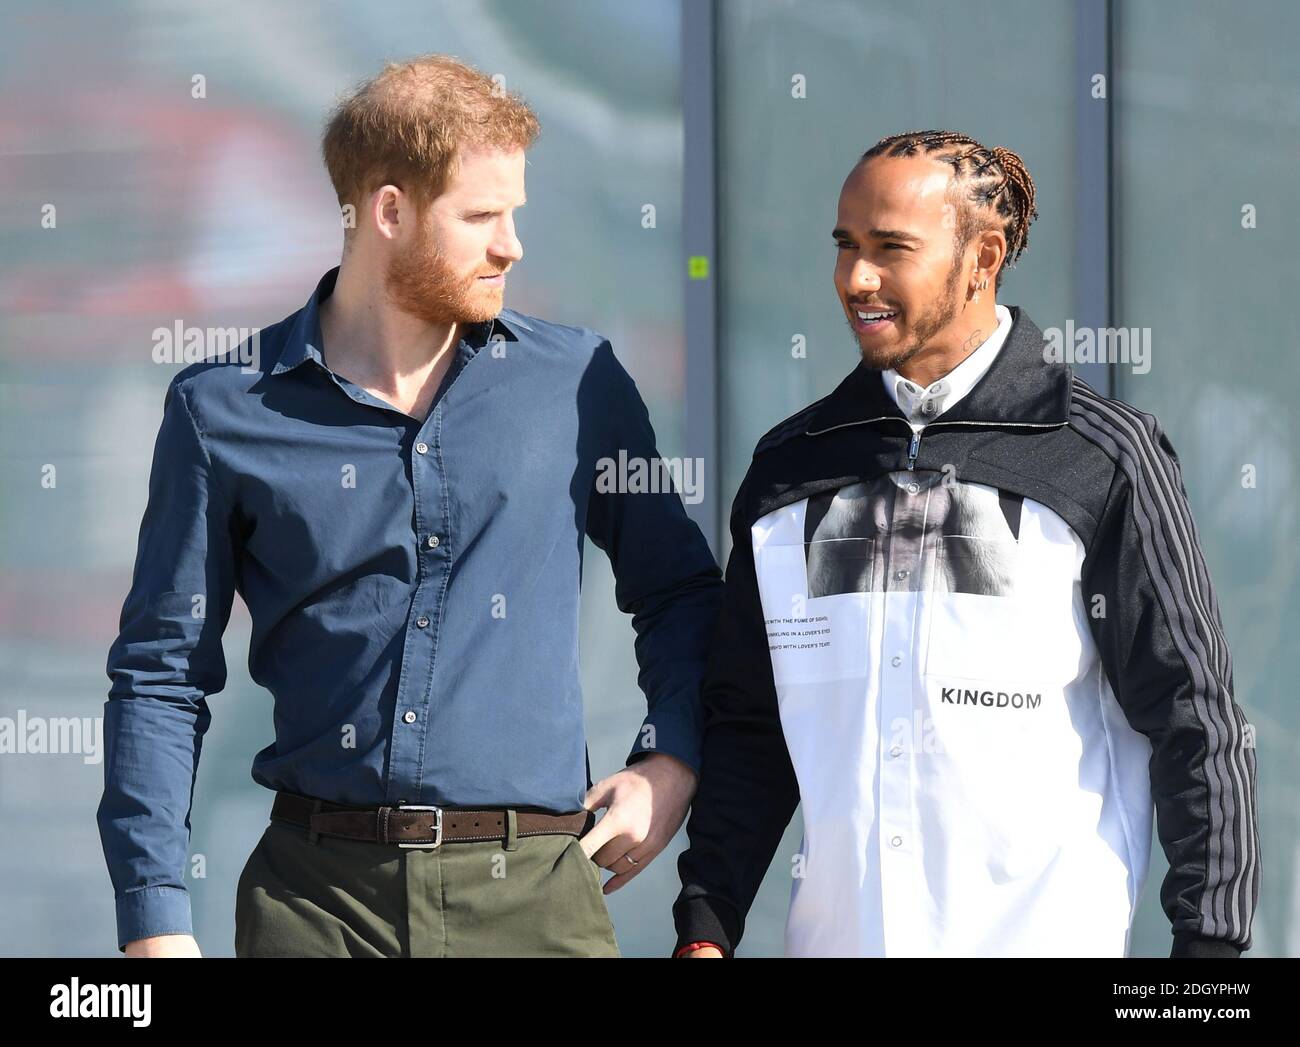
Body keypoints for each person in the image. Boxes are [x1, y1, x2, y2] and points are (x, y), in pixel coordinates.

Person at [98, 54, 722, 958]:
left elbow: (681, 593)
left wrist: (672, 759)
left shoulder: (576, 383)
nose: (511, 244)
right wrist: (154, 919)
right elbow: (160, 674)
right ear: (387, 212)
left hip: (536, 901)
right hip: (314, 906)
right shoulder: (220, 410)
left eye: (515, 214)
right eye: (482, 217)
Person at [672, 130, 1258, 958]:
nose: (855, 279)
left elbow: (1195, 720)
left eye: (890, 249)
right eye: (845, 247)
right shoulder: (788, 471)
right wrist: (707, 922)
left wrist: (1210, 953)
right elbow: (749, 727)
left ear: (982, 258)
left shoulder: (1102, 457)